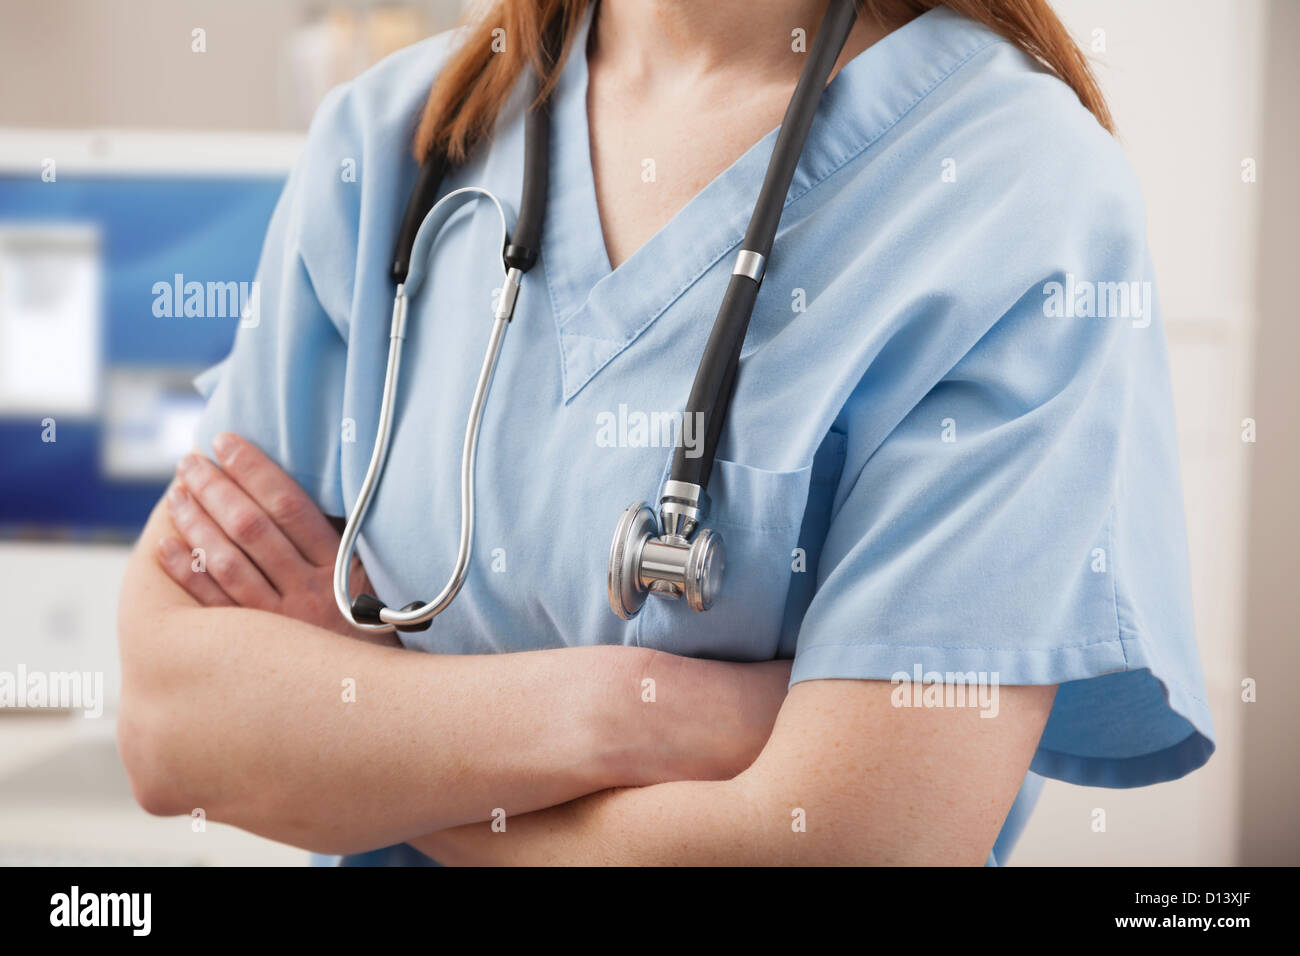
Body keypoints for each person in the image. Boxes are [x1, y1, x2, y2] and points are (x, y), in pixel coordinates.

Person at [117, 0, 1214, 866]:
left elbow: (857, 844)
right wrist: (630, 712)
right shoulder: (394, 141)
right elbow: (173, 723)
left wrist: (366, 761)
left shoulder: (1011, 194)